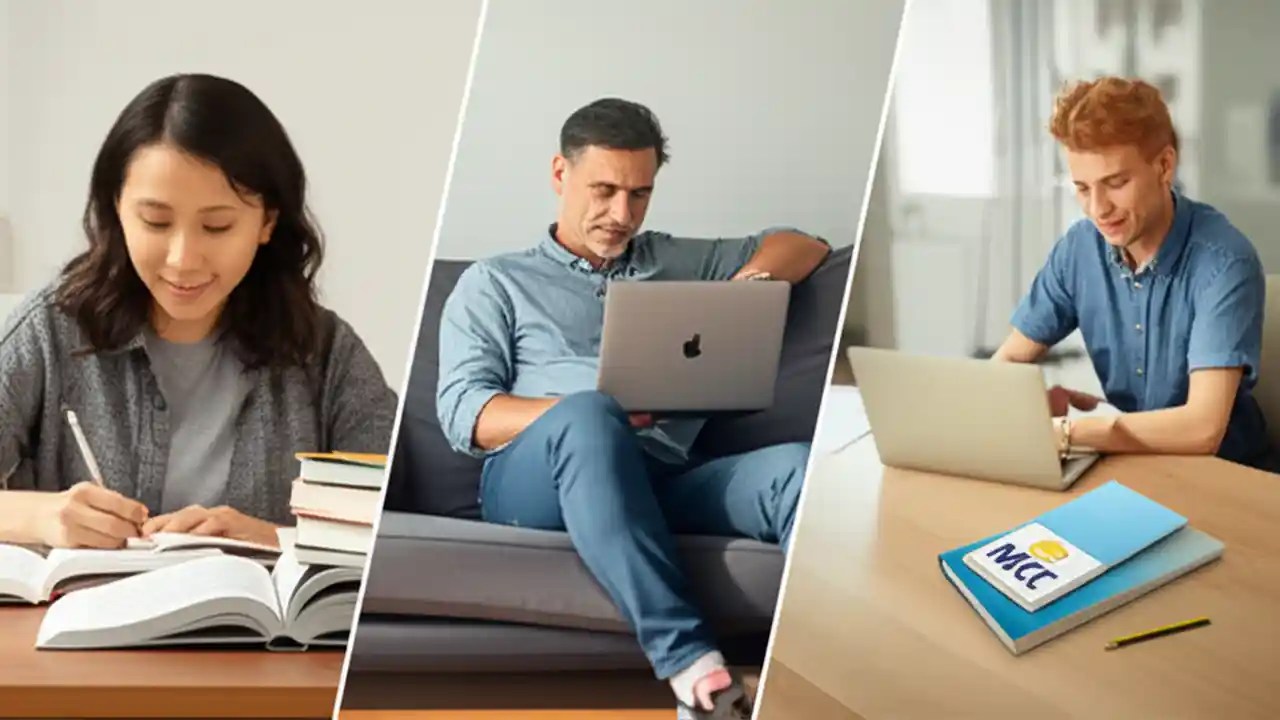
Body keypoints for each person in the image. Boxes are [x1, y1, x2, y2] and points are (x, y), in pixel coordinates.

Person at [436, 98, 830, 720]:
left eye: (640, 195)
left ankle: (816, 674)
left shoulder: (672, 260)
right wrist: (594, 411)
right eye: (605, 190)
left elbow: (803, 245)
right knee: (591, 415)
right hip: (539, 483)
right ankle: (692, 667)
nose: (622, 214)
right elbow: (468, 414)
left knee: (798, 469)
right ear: (560, 175)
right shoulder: (496, 281)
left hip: (662, 475)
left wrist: (743, 289)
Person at [0, 74, 397, 549]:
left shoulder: (325, 353)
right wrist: (37, 516)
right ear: (117, 210)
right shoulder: (48, 330)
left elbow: (397, 516)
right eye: (156, 222)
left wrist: (274, 539)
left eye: (217, 226)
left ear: (267, 221)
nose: (183, 259)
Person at [995, 77, 1276, 472]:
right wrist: (1012, 412)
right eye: (1082, 188)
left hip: (1228, 477)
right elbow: (1007, 360)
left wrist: (1069, 433)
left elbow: (1201, 429)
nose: (1098, 209)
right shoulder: (1079, 249)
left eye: (1116, 183)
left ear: (1164, 165)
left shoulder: (1225, 263)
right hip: (1134, 467)